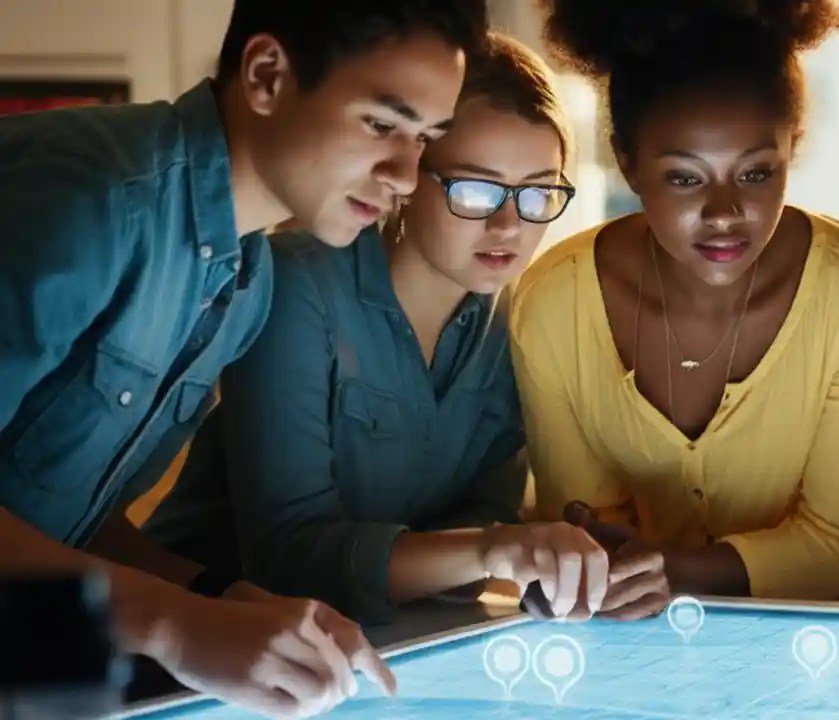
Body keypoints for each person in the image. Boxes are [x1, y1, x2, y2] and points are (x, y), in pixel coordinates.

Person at [0, 0, 485, 715]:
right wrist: (176, 625)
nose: (406, 175)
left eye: (426, 138)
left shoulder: (245, 283)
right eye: (382, 124)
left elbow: (59, 511)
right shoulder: (91, 199)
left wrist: (220, 600)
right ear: (267, 75)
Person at [144, 33, 609, 627]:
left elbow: (481, 521)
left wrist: (542, 557)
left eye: (538, 192)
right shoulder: (296, 285)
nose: (508, 224)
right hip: (201, 633)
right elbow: (287, 557)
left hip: (390, 643)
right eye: (474, 188)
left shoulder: (515, 324)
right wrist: (488, 551)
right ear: (409, 173)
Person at [512, 0, 839, 621]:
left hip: (805, 646)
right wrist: (633, 570)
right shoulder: (553, 303)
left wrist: (670, 572)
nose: (725, 212)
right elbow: (589, 539)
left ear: (792, 150)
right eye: (685, 178)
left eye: (755, 174)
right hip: (622, 644)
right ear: (628, 164)